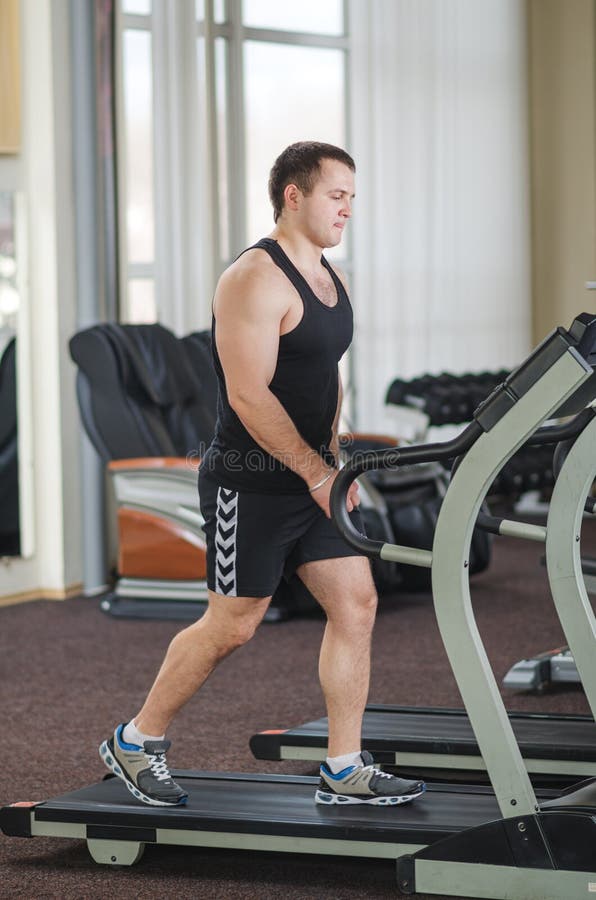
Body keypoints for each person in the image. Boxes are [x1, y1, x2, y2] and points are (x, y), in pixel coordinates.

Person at [100, 141, 426, 808]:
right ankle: (136, 741)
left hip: (313, 481)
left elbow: (325, 374)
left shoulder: (329, 279)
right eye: (338, 196)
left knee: (356, 605)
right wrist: (314, 473)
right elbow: (250, 395)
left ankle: (344, 766)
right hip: (248, 486)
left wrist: (334, 461)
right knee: (233, 626)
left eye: (352, 198)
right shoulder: (252, 278)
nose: (347, 210)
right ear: (294, 195)